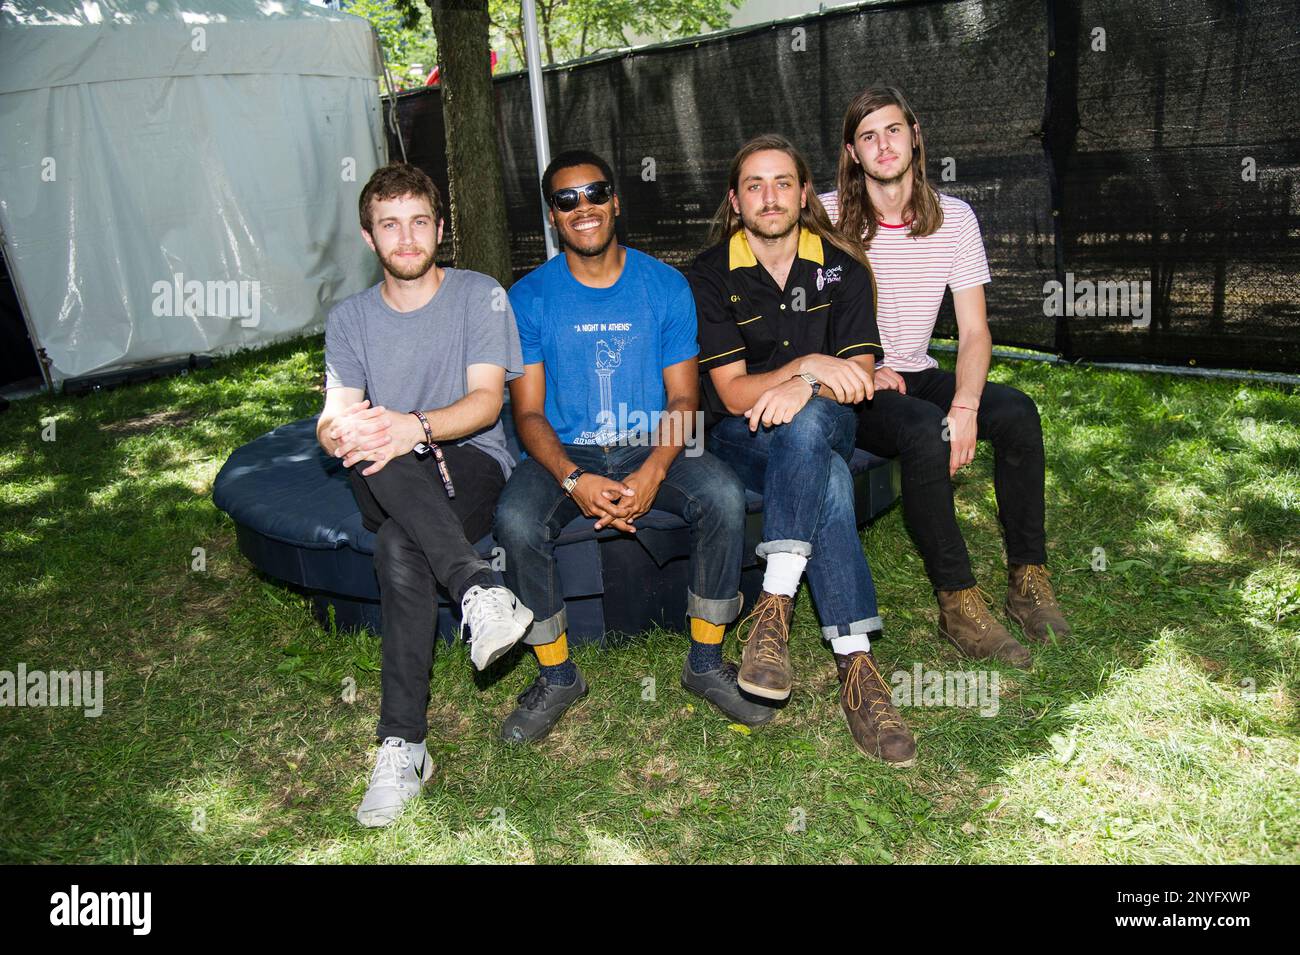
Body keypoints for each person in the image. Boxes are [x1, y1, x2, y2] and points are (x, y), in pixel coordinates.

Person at [494, 149, 772, 743]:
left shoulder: (665, 286)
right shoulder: (530, 298)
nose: (584, 208)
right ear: (553, 216)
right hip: (570, 449)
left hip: (653, 438)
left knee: (723, 495)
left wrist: (652, 471)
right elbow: (529, 412)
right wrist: (574, 479)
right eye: (567, 200)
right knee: (516, 519)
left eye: (595, 193)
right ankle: (557, 674)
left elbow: (683, 399)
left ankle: (705, 661)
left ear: (616, 201)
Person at [821, 85, 1071, 667]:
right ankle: (958, 600)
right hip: (850, 382)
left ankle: (1027, 578)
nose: (883, 144)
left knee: (1015, 413)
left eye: (892, 130)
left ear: (914, 136)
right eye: (867, 136)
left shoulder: (953, 217)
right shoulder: (828, 215)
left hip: (916, 370)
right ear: (853, 153)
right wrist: (862, 368)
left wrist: (964, 406)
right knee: (923, 429)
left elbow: (975, 331)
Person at [688, 133, 916, 767]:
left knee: (813, 419)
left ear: (804, 192)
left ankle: (774, 604)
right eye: (755, 185)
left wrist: (805, 384)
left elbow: (859, 372)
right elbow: (732, 396)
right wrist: (813, 364)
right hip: (742, 435)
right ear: (735, 201)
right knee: (832, 483)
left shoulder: (843, 263)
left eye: (783, 182)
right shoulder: (707, 274)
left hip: (833, 419)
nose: (770, 196)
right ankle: (857, 668)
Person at [318, 162, 532, 827]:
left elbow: (484, 401)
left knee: (397, 543)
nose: (406, 239)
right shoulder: (349, 318)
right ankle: (475, 583)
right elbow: (335, 414)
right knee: (369, 439)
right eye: (390, 225)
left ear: (440, 228)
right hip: (385, 464)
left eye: (418, 223)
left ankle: (403, 744)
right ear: (368, 236)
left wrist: (411, 425)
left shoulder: (479, 294)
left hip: (465, 458)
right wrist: (337, 432)